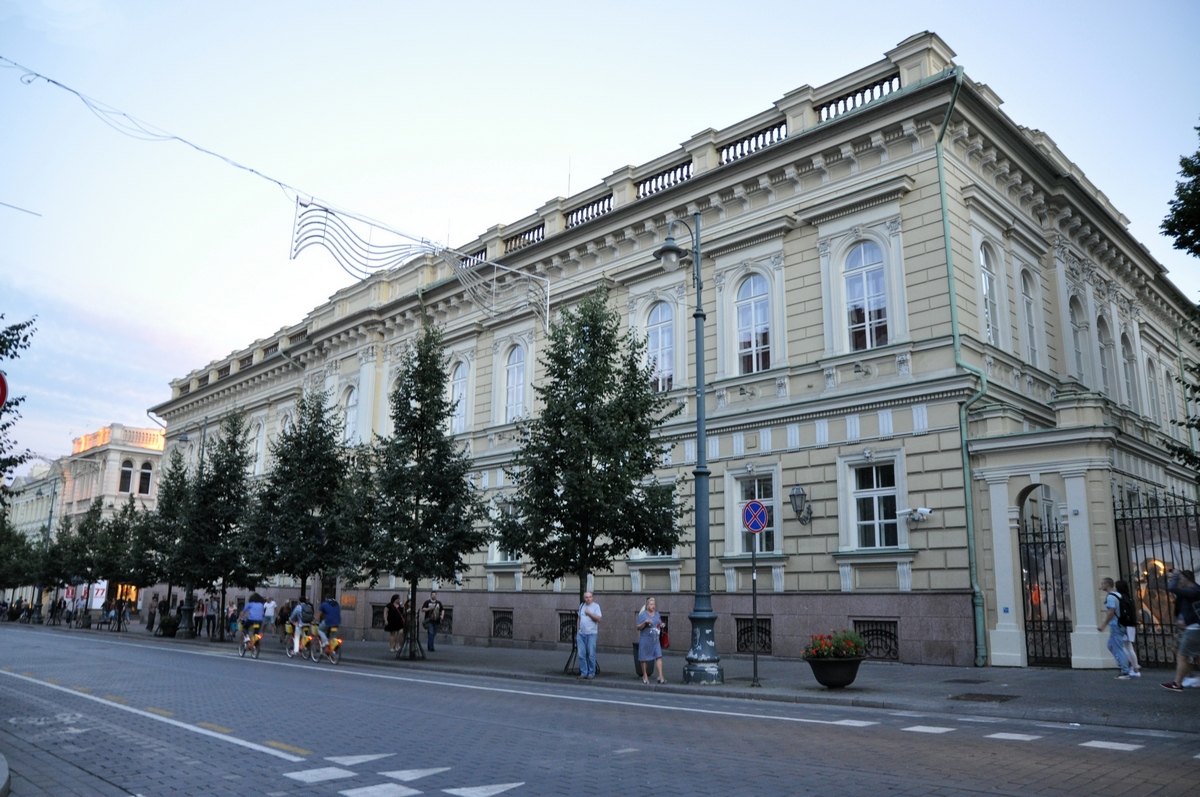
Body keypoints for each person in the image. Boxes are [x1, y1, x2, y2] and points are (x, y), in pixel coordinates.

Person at [1162, 569, 1200, 692]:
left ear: (1186, 578)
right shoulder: (1194, 590)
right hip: (1193, 626)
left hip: (1193, 628)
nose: (1179, 581)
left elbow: (1171, 588)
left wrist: (1175, 576)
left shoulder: (1193, 591)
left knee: (1182, 655)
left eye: (1181, 579)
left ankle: (1177, 683)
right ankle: (1180, 682)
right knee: (1193, 655)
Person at [1097, 578, 1131, 678]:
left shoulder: (1110, 597)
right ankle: (1122, 664)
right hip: (1120, 624)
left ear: (1107, 584)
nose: (1101, 586)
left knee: (1118, 647)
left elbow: (1111, 612)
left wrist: (1103, 625)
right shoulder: (1118, 595)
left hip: (1116, 625)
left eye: (1102, 583)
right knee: (1110, 645)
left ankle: (1125, 671)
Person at [1114, 579, 1141, 678]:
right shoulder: (1129, 598)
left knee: (1124, 647)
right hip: (1131, 624)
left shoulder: (1121, 598)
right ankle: (1135, 668)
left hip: (1125, 624)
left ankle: (1134, 668)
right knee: (1128, 647)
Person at [637, 597, 666, 685]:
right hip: (646, 640)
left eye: (654, 604)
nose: (653, 606)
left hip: (655, 640)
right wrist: (645, 623)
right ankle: (645, 675)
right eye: (651, 604)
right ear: (647, 606)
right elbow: (638, 627)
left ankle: (660, 676)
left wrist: (662, 625)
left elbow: (658, 622)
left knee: (659, 656)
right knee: (644, 658)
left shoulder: (657, 614)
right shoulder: (643, 615)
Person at [576, 591, 602, 679]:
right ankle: (584, 672)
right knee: (581, 654)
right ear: (584, 598)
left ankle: (591, 672)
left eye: (590, 597)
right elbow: (579, 618)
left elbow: (599, 619)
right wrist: (578, 630)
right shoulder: (581, 606)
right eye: (586, 597)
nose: (588, 599)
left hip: (591, 633)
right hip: (581, 634)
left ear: (592, 597)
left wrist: (590, 614)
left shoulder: (596, 606)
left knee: (591, 654)